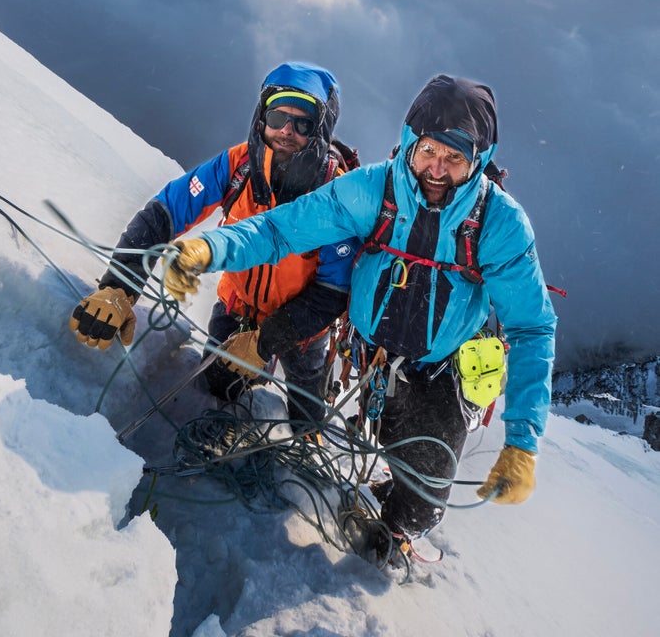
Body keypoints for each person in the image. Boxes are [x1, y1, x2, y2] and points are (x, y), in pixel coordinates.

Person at [160, 74, 557, 557]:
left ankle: (399, 531)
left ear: (478, 162)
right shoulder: (374, 189)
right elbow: (281, 229)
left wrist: (523, 441)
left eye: (455, 158)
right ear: (411, 142)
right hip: (372, 354)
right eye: (429, 150)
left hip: (440, 368)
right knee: (389, 435)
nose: (436, 169)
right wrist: (211, 248)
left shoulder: (499, 224)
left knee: (423, 494)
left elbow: (531, 326)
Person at [69, 61, 359, 431]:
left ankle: (304, 448)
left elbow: (331, 291)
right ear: (261, 118)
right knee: (217, 388)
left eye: (302, 123)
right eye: (277, 116)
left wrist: (264, 342)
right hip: (237, 306)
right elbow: (164, 214)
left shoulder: (337, 196)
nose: (286, 130)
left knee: (306, 410)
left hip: (302, 330)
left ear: (320, 130)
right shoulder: (238, 165)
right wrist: (118, 288)